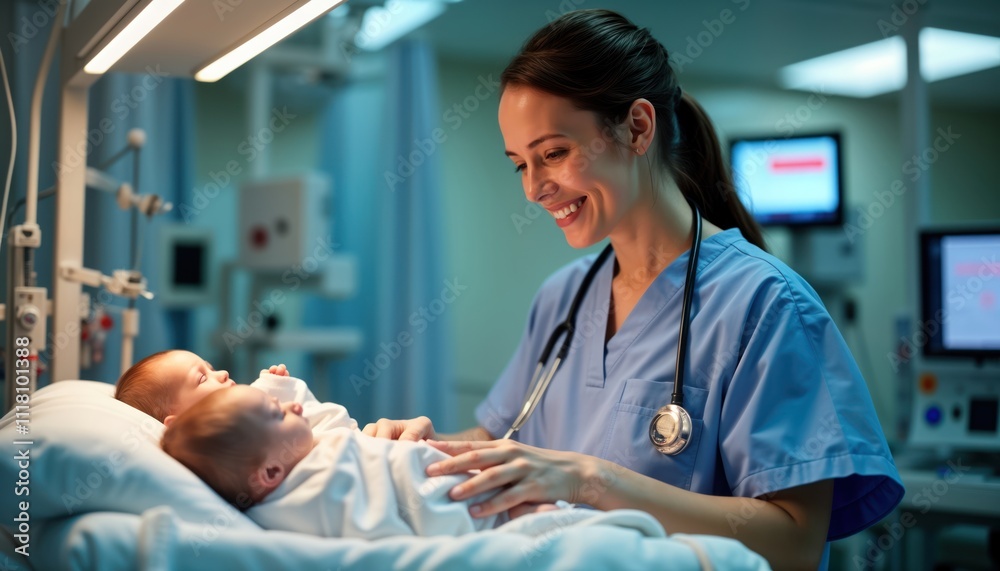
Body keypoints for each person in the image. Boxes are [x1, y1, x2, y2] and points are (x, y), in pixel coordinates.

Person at [361, 9, 904, 571]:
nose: (534, 189)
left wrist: (591, 481)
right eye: (519, 165)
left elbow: (794, 543)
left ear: (638, 128)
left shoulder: (763, 304)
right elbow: (504, 437)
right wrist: (420, 448)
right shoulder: (563, 298)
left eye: (553, 154)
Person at [160, 384, 570, 539]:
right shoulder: (314, 490)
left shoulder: (301, 455)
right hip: (469, 506)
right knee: (537, 515)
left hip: (483, 479)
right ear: (269, 473)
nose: (295, 409)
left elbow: (329, 422)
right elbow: (376, 520)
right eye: (278, 413)